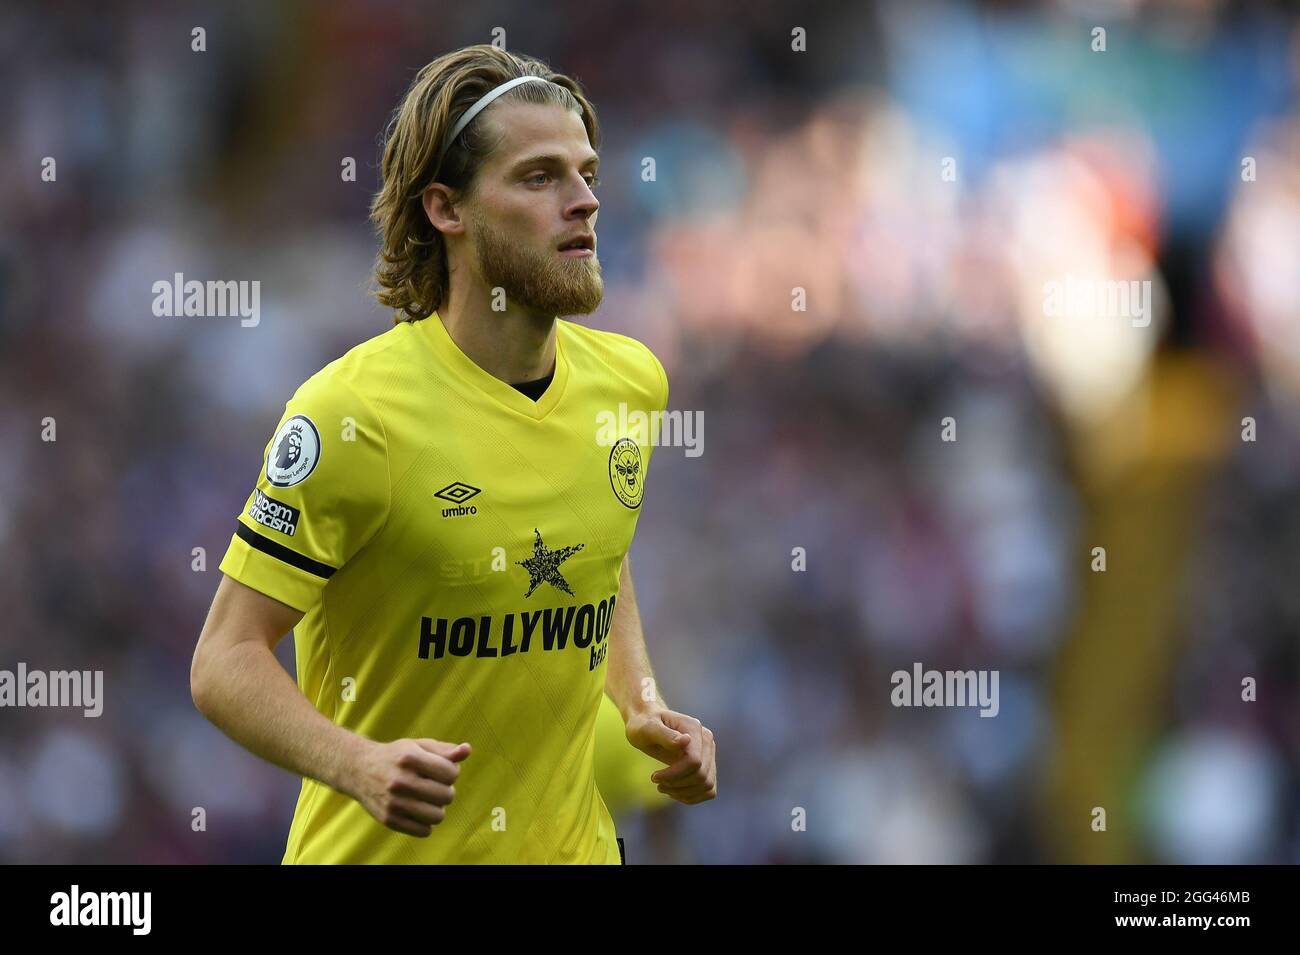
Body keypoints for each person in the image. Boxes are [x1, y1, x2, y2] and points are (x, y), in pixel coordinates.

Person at [189, 45, 716, 864]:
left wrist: (640, 697)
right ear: (447, 209)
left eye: (586, 174)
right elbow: (223, 660)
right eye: (539, 177)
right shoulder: (351, 415)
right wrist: (356, 762)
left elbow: (597, 557)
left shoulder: (631, 383)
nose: (583, 202)